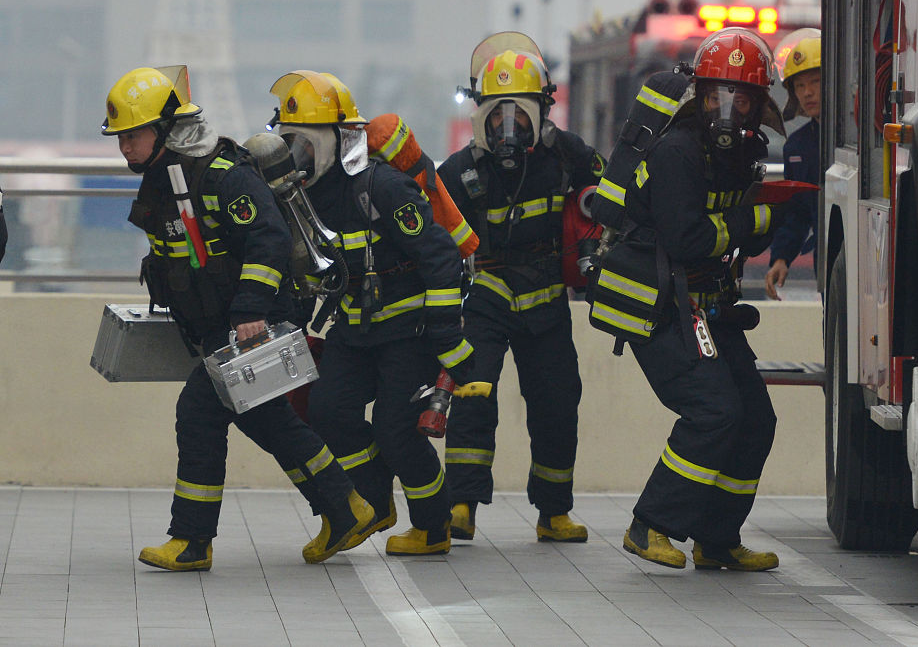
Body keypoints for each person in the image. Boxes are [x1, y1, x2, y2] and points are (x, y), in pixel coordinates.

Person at [102, 65, 374, 572]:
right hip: (219, 328)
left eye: (133, 135)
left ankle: (191, 540)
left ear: (163, 130)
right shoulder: (164, 180)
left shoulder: (222, 174)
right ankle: (346, 507)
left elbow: (268, 239)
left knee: (199, 414)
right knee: (270, 421)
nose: (124, 147)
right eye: (120, 138)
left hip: (256, 322)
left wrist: (251, 311)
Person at [269, 70, 475, 556]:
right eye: (289, 144)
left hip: (410, 332)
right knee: (327, 411)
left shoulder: (381, 187)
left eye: (303, 144)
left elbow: (442, 258)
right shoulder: (304, 198)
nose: (297, 156)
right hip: (354, 329)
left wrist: (446, 338)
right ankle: (377, 500)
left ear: (337, 139)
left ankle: (432, 525)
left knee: (395, 431)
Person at [619, 27, 784, 571]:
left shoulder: (749, 152)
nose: (728, 109)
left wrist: (765, 220)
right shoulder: (675, 152)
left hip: (710, 304)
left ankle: (717, 538)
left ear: (759, 104)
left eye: (742, 97)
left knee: (756, 418)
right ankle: (650, 526)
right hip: (665, 305)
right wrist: (751, 220)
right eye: (717, 95)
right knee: (714, 411)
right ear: (700, 96)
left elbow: (749, 235)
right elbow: (687, 238)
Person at [438, 32, 605, 543]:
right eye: (496, 113)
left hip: (546, 298)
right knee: (471, 395)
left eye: (519, 113)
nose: (507, 125)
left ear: (540, 111)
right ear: (481, 114)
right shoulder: (460, 172)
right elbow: (432, 239)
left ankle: (553, 512)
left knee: (556, 402)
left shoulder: (565, 155)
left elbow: (610, 190)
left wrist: (596, 218)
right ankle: (461, 504)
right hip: (486, 296)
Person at [764, 31, 821, 301]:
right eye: (799, 86)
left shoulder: (863, 139)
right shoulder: (796, 147)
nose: (807, 92)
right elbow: (796, 212)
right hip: (828, 258)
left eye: (816, 82)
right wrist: (781, 257)